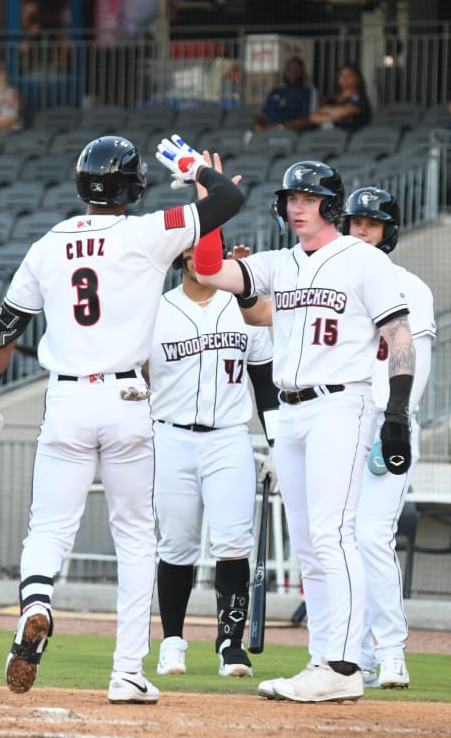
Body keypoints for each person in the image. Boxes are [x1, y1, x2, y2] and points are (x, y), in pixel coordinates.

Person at [0, 134, 244, 704]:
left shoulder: (48, 243)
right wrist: (193, 167)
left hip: (65, 398)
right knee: (137, 538)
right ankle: (125, 672)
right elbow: (227, 201)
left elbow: (3, 331)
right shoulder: (147, 231)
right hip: (125, 400)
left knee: (48, 528)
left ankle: (37, 603)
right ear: (134, 185)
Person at [190, 160, 414, 704]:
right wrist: (211, 204)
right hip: (289, 412)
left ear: (330, 205)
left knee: (334, 534)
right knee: (311, 544)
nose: (297, 206)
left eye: (309, 198)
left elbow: (399, 336)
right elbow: (208, 272)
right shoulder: (281, 263)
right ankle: (324, 659)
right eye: (292, 197)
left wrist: (398, 414)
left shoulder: (364, 261)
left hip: (342, 402)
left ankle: (343, 664)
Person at [148, 243, 276, 680]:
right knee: (176, 543)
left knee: (234, 541)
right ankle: (172, 642)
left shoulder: (243, 309)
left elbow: (265, 382)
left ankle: (230, 644)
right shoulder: (157, 311)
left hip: (228, 437)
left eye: (208, 255)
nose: (200, 263)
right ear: (180, 260)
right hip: (170, 435)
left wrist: (275, 442)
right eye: (192, 255)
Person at [339, 187, 434, 690]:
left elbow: (414, 359)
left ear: (388, 231)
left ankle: (391, 651)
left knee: (372, 535)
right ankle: (355, 655)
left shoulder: (410, 287)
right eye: (355, 222)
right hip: (342, 421)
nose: (361, 231)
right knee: (341, 539)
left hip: (388, 422)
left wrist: (397, 417)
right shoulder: (335, 278)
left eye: (371, 224)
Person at [292, 63, 372, 133]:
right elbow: (314, 117)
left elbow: (346, 111)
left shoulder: (360, 98)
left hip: (350, 137)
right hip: (326, 134)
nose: (345, 78)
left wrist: (327, 112)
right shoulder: (332, 98)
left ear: (357, 78)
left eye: (349, 75)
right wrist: (337, 116)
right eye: (342, 75)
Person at [253, 56, 315, 131]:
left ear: (302, 72)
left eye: (296, 70)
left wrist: (280, 127)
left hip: (294, 135)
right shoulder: (276, 90)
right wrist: (258, 124)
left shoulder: (308, 91)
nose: (293, 73)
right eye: (290, 70)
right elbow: (263, 115)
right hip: (267, 134)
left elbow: (308, 120)